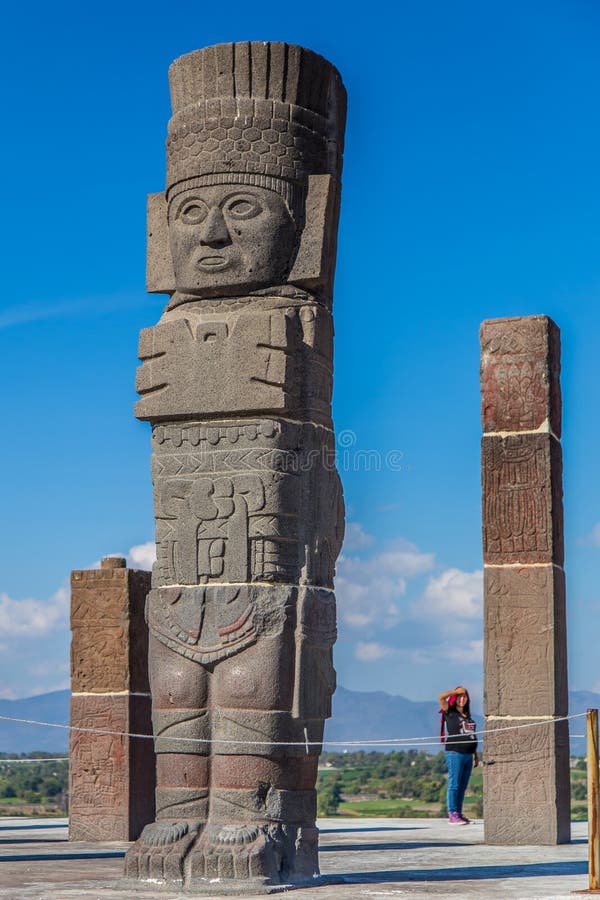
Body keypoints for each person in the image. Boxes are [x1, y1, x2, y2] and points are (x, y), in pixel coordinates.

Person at [439, 685, 478, 825]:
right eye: (460, 697)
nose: (462, 699)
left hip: (468, 754)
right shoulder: (450, 712)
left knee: (462, 786)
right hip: (455, 752)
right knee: (454, 784)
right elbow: (441, 697)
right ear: (455, 698)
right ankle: (452, 813)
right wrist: (455, 692)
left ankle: (459, 813)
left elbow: (471, 735)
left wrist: (475, 754)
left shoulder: (468, 717)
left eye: (464, 696)